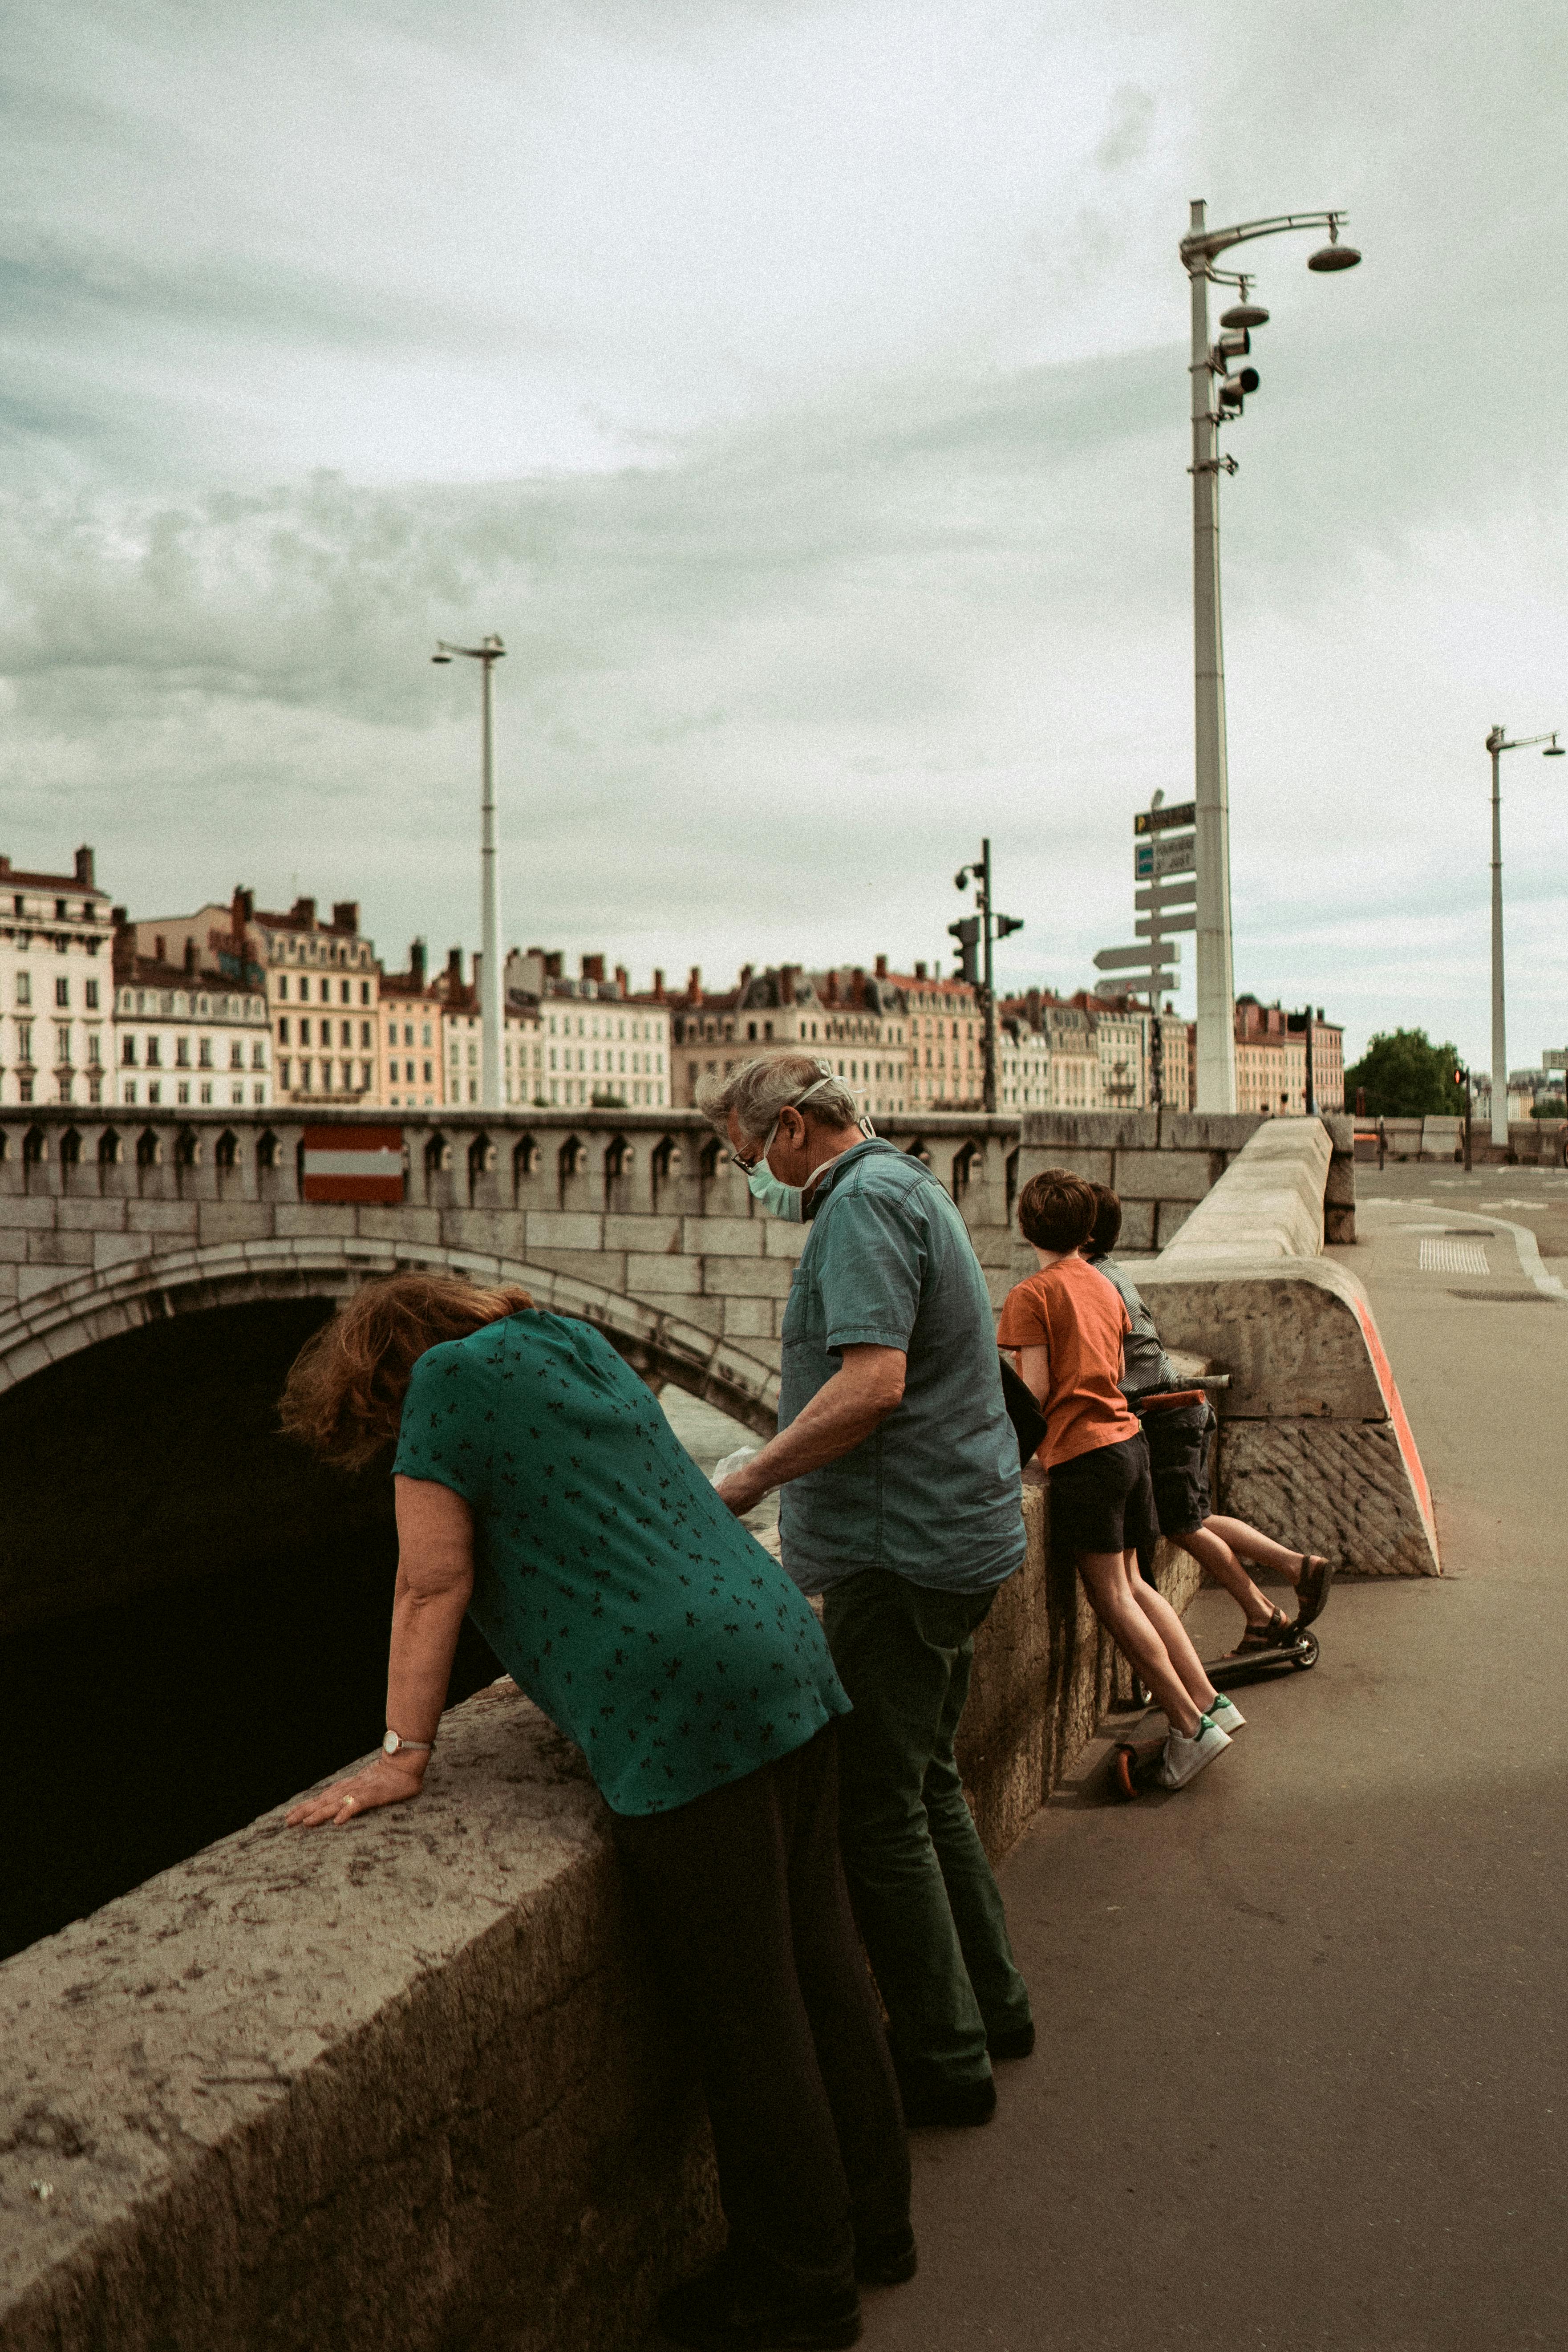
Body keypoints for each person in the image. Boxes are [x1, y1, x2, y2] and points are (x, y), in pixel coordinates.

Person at [279, 1272, 910, 2352]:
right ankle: (876, 2225)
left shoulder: (438, 1383)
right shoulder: (569, 1338)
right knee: (822, 1962)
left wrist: (403, 1753)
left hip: (679, 1698)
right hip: (776, 1645)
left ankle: (802, 2285)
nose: (387, 1436)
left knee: (748, 2014)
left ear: (382, 1372)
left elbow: (431, 1581)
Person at [696, 1055, 1034, 2132]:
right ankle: (994, 2004)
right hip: (954, 1532)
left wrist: (747, 1475)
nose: (754, 1181)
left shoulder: (859, 1208)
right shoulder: (913, 1184)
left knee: (877, 1809)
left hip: (899, 1553)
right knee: (926, 1778)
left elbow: (872, 1381)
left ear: (794, 1126)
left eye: (750, 1158)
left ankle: (944, 2057)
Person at [996, 1169, 1240, 1790]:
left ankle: (1188, 1727)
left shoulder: (1032, 1295)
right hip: (1129, 1444)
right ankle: (1209, 1701)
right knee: (1135, 1583)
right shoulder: (1103, 1286)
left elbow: (1036, 1393)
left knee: (1111, 1597)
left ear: (1025, 1227)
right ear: (1087, 1229)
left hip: (1083, 1456)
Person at [1081, 1182, 1333, 1650]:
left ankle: (1266, 1607)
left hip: (1163, 1414)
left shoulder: (1092, 1281)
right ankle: (1292, 1572)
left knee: (1186, 1526)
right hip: (1177, 1409)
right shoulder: (1109, 1271)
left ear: (1083, 1234)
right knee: (1195, 1518)